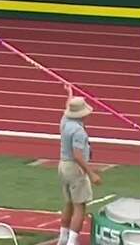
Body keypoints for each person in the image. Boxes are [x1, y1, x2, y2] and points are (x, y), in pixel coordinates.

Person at [56, 96, 100, 245]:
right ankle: (72, 242)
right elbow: (78, 156)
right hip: (75, 169)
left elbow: (67, 107)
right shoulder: (79, 132)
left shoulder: (65, 122)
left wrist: (69, 92)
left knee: (68, 203)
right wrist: (91, 173)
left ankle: (63, 238)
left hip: (63, 165)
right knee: (79, 206)